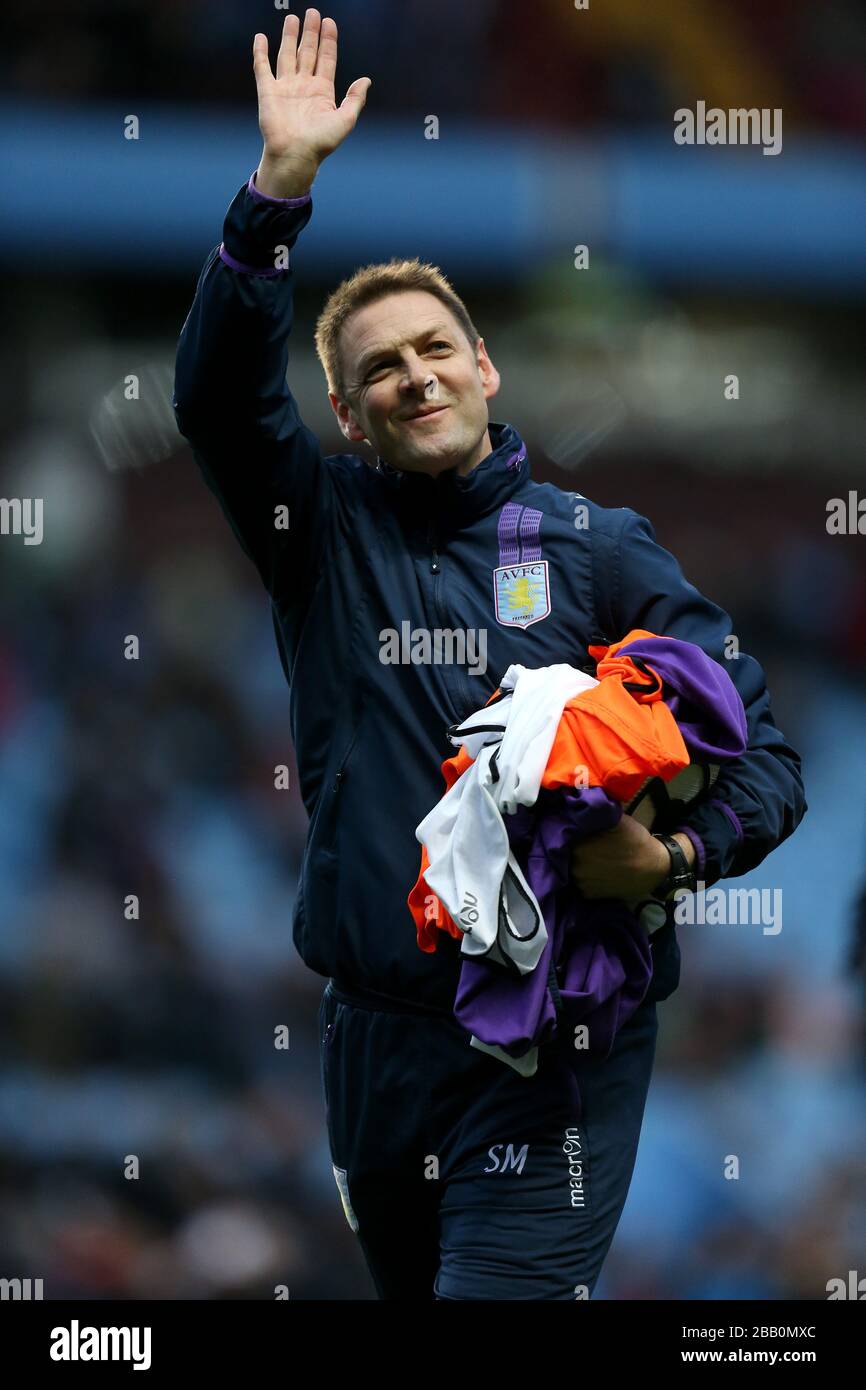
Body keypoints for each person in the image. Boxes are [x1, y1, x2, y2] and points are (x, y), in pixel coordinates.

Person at [173, 9, 807, 1300]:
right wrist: (273, 194)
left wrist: (672, 858)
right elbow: (213, 397)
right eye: (376, 370)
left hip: (553, 1047)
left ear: (484, 363)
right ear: (343, 413)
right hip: (375, 1041)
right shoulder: (319, 530)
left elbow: (767, 757)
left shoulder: (596, 546)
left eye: (432, 349)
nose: (413, 377)